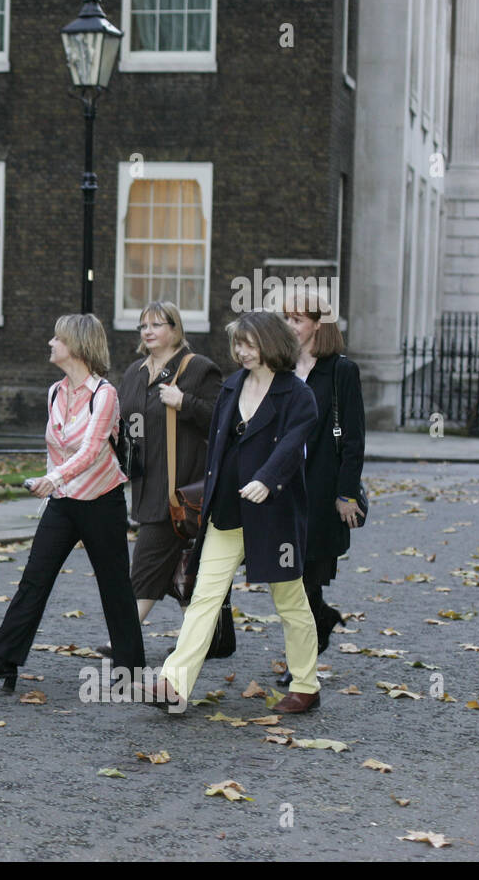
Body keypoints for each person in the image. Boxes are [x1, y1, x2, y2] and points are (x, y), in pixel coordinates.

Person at [143, 310, 321, 712]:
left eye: (249, 344)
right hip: (226, 511)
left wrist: (267, 478)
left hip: (273, 514)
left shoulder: (298, 394)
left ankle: (306, 685)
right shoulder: (231, 387)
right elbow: (217, 447)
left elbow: (292, 445)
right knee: (205, 595)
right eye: (237, 344)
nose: (240, 352)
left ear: (272, 345)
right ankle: (174, 684)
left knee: (291, 601)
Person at [0, 314, 146, 690]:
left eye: (57, 337)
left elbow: (93, 450)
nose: (50, 343)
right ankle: (3, 659)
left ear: (77, 346)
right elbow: (56, 449)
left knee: (114, 586)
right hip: (63, 502)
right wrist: (53, 488)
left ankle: (130, 669)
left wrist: (53, 479)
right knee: (34, 580)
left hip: (101, 501)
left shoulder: (104, 394)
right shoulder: (54, 392)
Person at [115, 301, 224, 654]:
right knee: (184, 572)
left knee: (147, 560)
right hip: (146, 483)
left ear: (175, 329)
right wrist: (124, 463)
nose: (147, 331)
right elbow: (128, 426)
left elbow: (222, 422)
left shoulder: (198, 369)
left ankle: (123, 640)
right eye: (142, 325)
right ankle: (213, 639)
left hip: (181, 486)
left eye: (156, 324)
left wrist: (185, 402)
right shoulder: (134, 372)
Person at [275, 287, 365, 687]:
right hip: (283, 489)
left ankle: (301, 670)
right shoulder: (280, 366)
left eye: (296, 319)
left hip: (321, 491)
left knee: (304, 579)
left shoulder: (341, 370)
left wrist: (346, 493)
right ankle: (323, 619)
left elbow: (354, 439)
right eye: (286, 318)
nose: (289, 326)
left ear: (317, 325)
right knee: (288, 579)